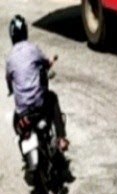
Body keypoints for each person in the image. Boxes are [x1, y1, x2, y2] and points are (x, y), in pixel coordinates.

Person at [5, 16, 69, 154]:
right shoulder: (32, 49)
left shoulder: (10, 59)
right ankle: (61, 138)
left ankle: (24, 147)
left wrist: (11, 90)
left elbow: (9, 80)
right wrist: (51, 60)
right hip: (39, 105)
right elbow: (46, 63)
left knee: (15, 122)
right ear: (25, 32)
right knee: (53, 98)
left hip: (23, 112)